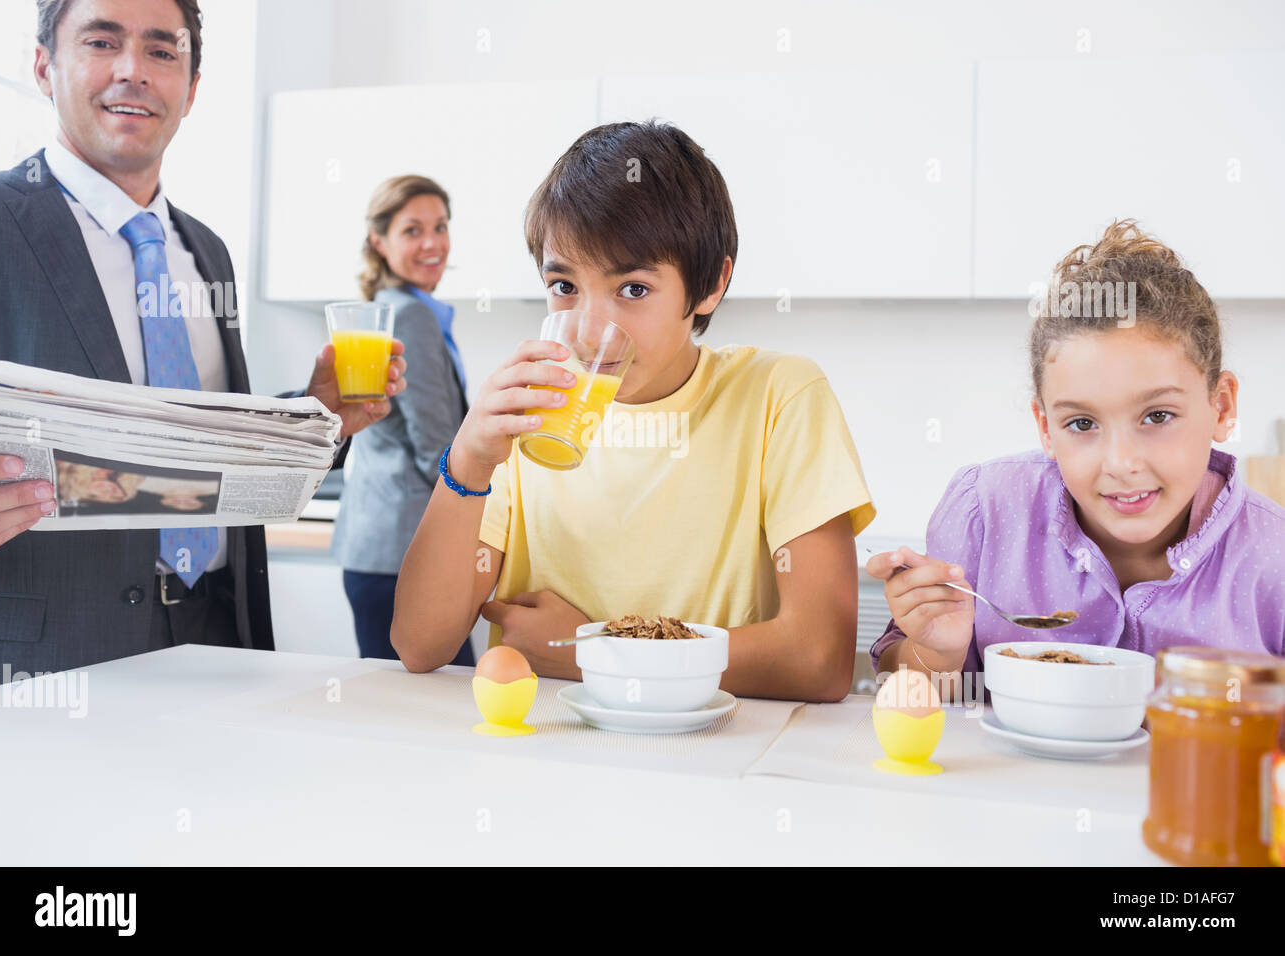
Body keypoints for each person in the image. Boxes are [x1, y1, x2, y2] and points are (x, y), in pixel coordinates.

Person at [0, 0, 405, 674]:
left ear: (192, 88)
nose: (134, 71)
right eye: (101, 41)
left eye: (162, 50)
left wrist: (315, 417)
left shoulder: (206, 251)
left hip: (215, 633)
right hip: (50, 655)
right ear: (43, 67)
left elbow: (196, 447)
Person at [391, 121, 876, 703]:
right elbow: (421, 646)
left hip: (718, 762)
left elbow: (817, 660)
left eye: (634, 290)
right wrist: (467, 460)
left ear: (711, 285)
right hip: (543, 759)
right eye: (565, 285)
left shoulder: (779, 397)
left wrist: (593, 651)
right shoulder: (531, 416)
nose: (593, 331)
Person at [867, 220, 1285, 695]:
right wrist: (936, 653)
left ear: (1222, 407)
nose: (1121, 463)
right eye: (1082, 424)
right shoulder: (984, 511)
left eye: (1158, 416)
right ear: (1046, 426)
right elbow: (911, 692)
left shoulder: (1274, 555)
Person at [332, 175, 473, 664]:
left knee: (401, 707)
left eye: (440, 226)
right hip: (404, 555)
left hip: (377, 551)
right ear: (380, 241)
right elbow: (439, 449)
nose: (432, 243)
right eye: (412, 230)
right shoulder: (409, 316)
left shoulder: (392, 310)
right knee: (441, 704)